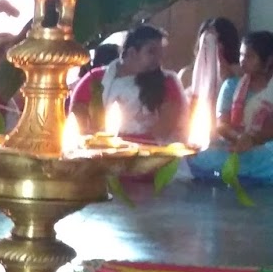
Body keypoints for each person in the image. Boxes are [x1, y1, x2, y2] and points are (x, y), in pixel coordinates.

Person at [68, 23, 187, 143]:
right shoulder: (95, 79)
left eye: (160, 53)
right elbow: (78, 121)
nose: (158, 59)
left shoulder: (167, 82)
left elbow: (165, 130)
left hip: (150, 155)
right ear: (132, 53)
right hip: (100, 152)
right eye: (151, 52)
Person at [189, 31, 273, 184]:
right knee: (197, 155)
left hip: (264, 149)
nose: (242, 61)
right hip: (233, 146)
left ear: (268, 60)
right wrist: (239, 138)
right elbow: (222, 125)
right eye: (241, 55)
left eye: (249, 56)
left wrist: (253, 140)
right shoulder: (231, 85)